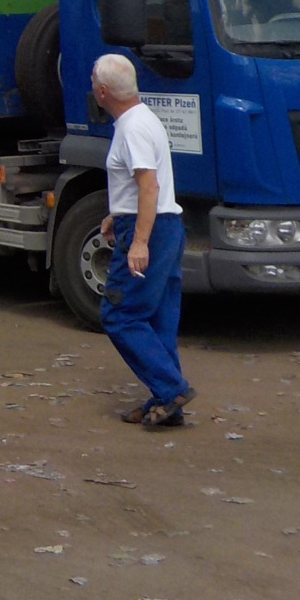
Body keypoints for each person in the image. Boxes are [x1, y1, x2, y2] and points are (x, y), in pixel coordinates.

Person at [92, 52, 196, 430]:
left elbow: (148, 185)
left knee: (119, 314)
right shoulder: (143, 118)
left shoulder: (131, 128)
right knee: (159, 319)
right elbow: (142, 187)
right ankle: (167, 401)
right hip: (168, 225)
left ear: (103, 92)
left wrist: (138, 241)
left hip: (151, 228)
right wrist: (115, 214)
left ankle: (171, 389)